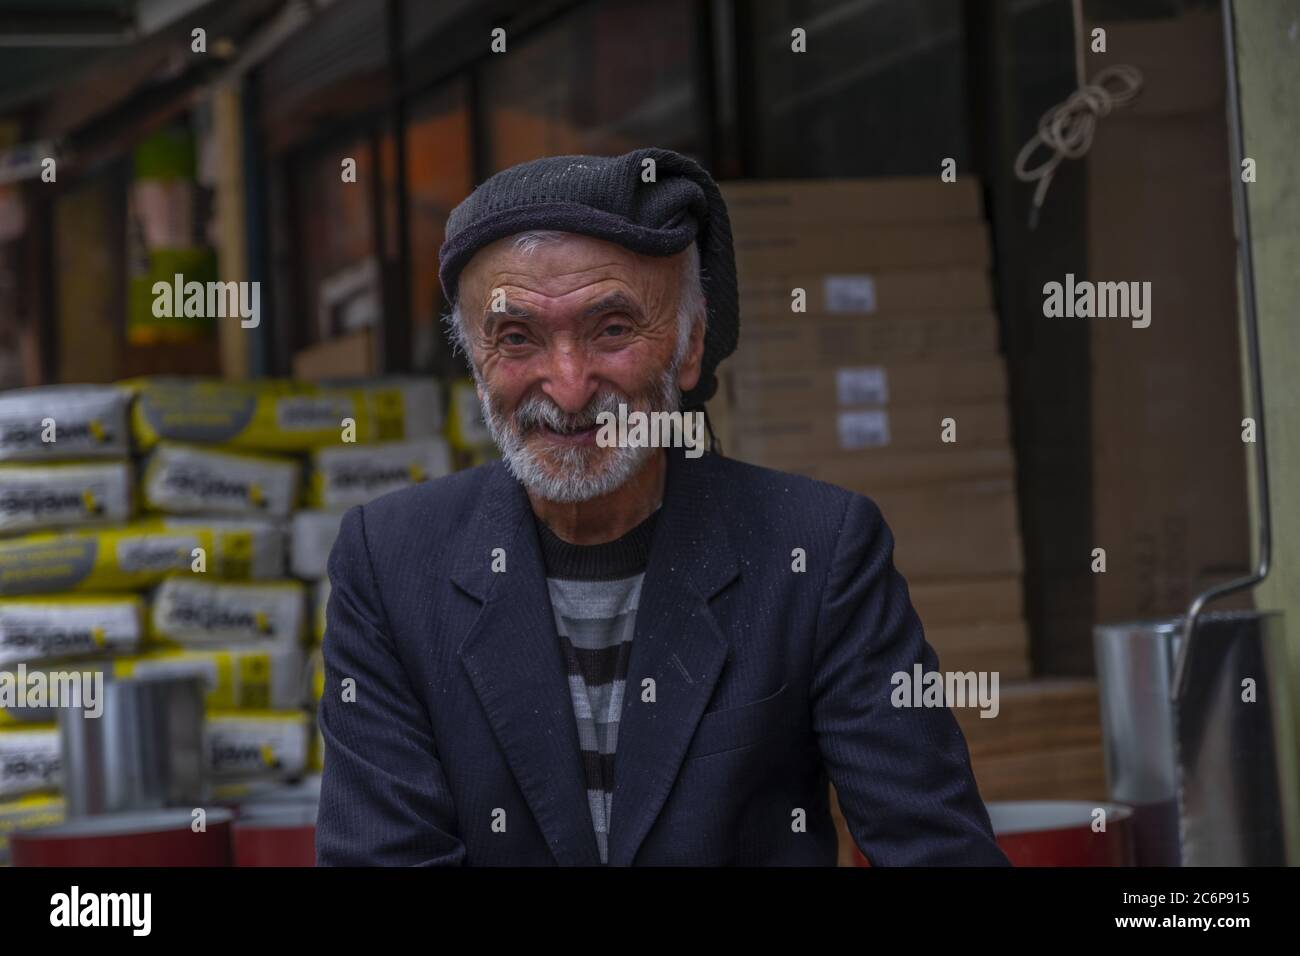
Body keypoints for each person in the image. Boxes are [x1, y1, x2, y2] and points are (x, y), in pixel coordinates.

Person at [316, 147, 1009, 866]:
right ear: (474, 358)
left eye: (612, 329)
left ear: (689, 344)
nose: (569, 385)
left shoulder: (818, 550)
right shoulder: (389, 564)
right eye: (516, 337)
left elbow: (935, 850)